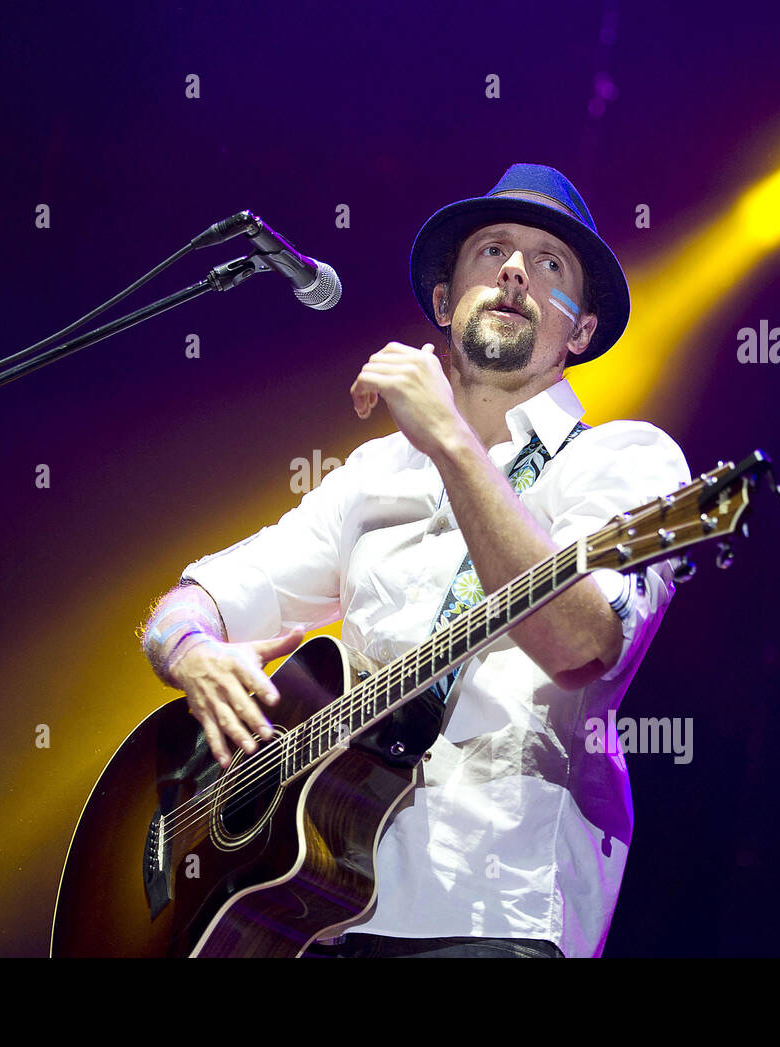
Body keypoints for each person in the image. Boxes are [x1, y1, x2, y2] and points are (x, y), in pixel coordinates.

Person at [141, 163, 690, 958]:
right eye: (493, 250)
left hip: (487, 907)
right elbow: (196, 600)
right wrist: (188, 650)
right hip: (310, 910)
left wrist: (449, 439)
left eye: (549, 264)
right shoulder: (374, 475)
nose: (513, 270)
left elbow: (581, 643)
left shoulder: (624, 462)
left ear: (579, 330)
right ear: (444, 303)